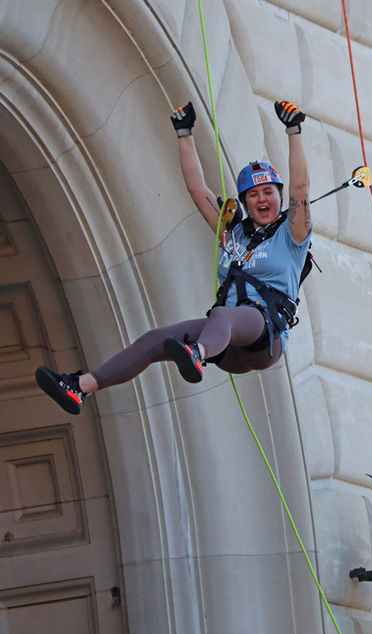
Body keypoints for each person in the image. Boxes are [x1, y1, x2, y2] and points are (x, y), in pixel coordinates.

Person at [35, 99, 313, 415]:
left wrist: (294, 130)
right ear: (246, 202)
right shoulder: (231, 231)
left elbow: (301, 188)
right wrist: (184, 133)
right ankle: (80, 387)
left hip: (265, 336)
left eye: (268, 192)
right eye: (253, 194)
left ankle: (196, 353)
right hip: (227, 346)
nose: (262, 199)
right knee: (155, 339)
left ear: (278, 196)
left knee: (221, 316)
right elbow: (197, 189)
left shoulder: (292, 233)